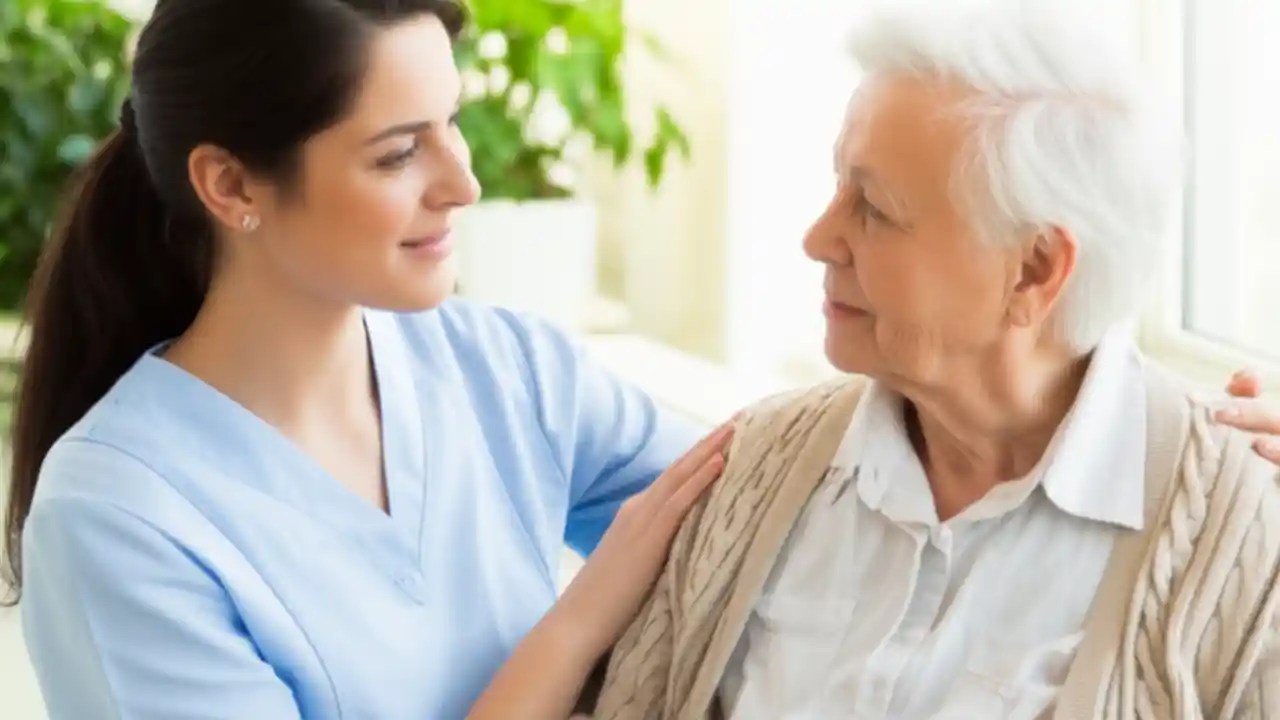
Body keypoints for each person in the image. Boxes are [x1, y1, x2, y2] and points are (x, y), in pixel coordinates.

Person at [0, 2, 731, 718]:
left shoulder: (508, 368)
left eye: (453, 123)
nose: (463, 185)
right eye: (399, 154)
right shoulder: (117, 517)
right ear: (231, 185)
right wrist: (579, 625)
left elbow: (767, 525)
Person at [592, 2, 1280, 719]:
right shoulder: (753, 470)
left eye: (875, 210)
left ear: (1034, 270)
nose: (819, 238)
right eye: (838, 188)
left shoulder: (1247, 542)